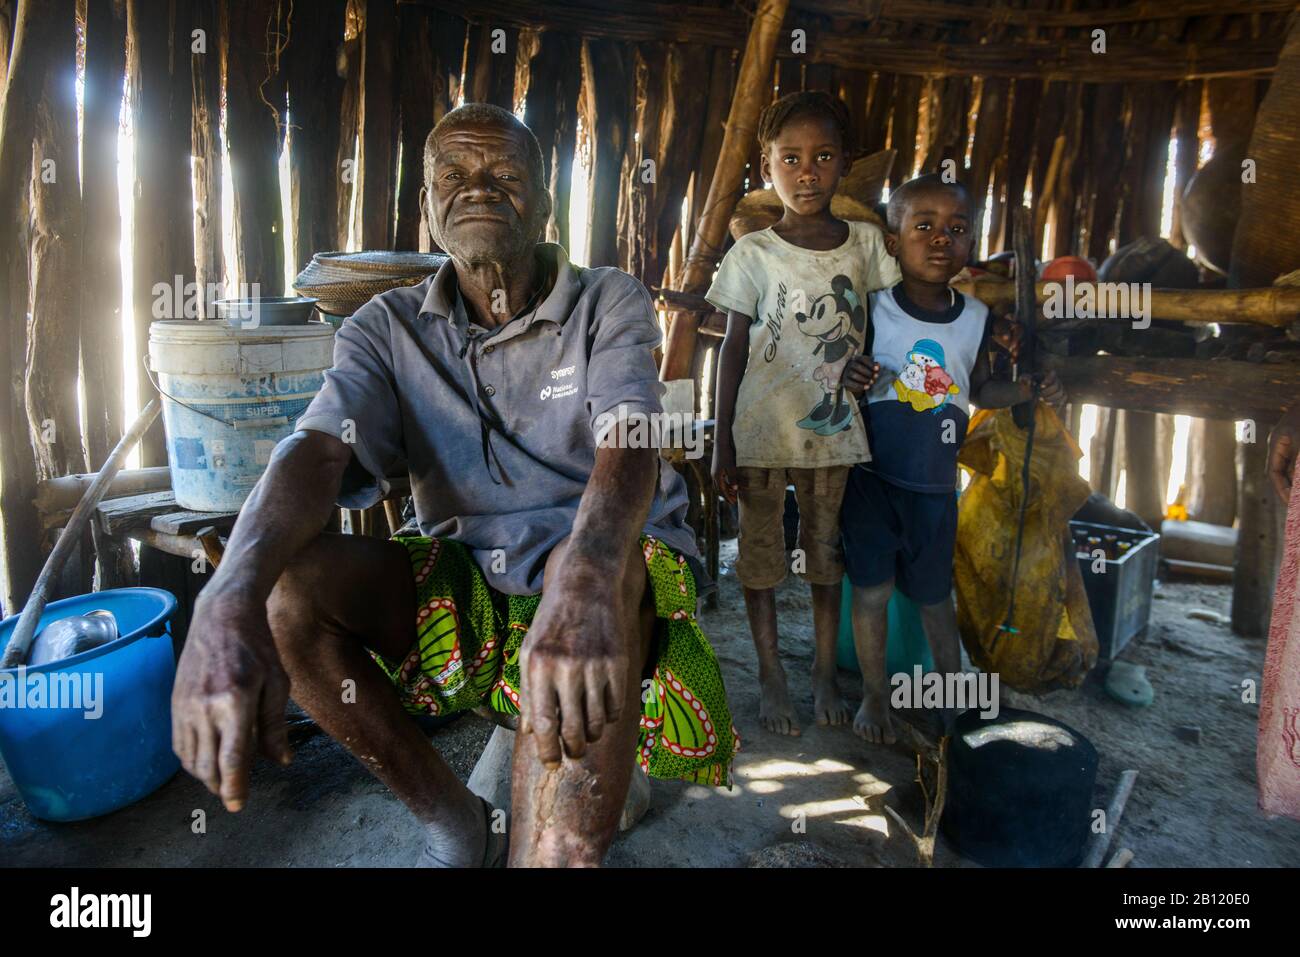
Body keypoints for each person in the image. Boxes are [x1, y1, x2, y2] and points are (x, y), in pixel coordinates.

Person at [170, 103, 736, 868]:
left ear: (542, 204)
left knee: (562, 835)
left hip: (605, 573)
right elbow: (314, 450)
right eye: (453, 175)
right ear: (428, 206)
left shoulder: (607, 298)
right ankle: (457, 820)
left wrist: (585, 575)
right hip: (470, 578)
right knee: (284, 596)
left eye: (505, 175)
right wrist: (227, 591)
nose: (478, 188)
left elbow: (628, 440)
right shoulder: (383, 326)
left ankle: (567, 816)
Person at [839, 174, 1063, 743]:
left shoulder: (975, 318)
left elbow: (980, 389)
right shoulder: (871, 310)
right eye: (924, 226)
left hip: (937, 489)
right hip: (872, 482)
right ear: (893, 242)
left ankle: (950, 698)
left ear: (971, 243)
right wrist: (850, 375)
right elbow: (836, 375)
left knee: (937, 599)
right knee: (871, 594)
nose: (941, 239)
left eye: (957, 229)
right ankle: (873, 697)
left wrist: (1024, 391)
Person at [708, 91, 900, 736]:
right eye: (790, 158)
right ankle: (771, 674)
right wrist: (720, 444)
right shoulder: (751, 253)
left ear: (845, 165)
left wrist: (871, 364)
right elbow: (732, 351)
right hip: (759, 433)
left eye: (822, 156)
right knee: (761, 562)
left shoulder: (867, 246)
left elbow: (892, 328)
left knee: (824, 559)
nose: (807, 171)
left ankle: (821, 670)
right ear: (767, 167)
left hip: (832, 436)